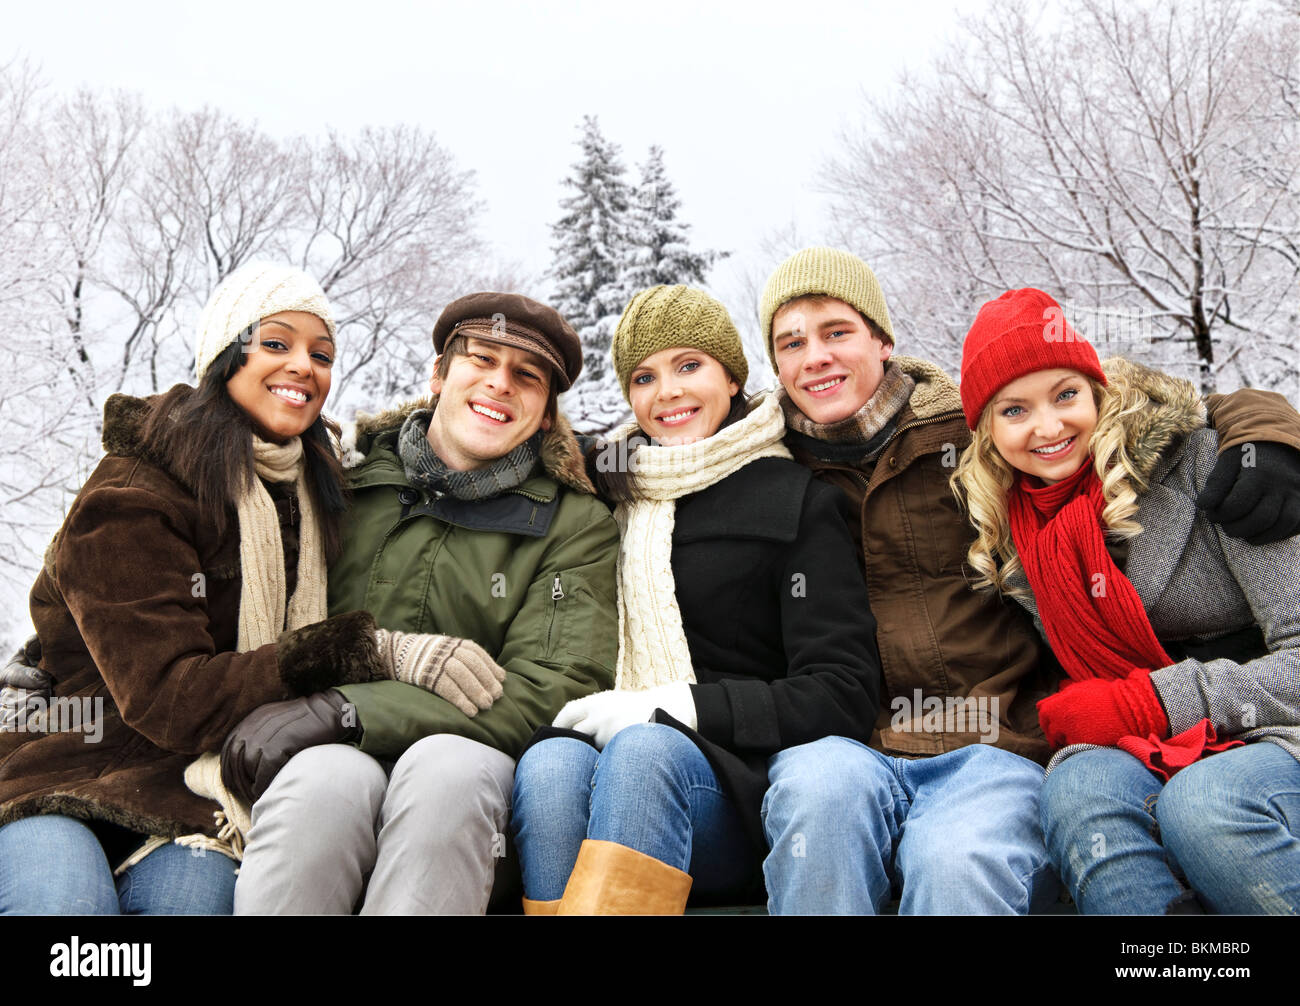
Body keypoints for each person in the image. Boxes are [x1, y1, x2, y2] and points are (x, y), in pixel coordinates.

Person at [754, 247, 1300, 914]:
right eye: (792, 342)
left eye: (838, 331)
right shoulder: (1002, 507)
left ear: (882, 339)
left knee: (1182, 810)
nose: (1045, 426)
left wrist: (1268, 428)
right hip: (878, 744)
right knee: (1077, 793)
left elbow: (1186, 412)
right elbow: (674, 446)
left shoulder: (973, 442)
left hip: (1075, 734)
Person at [0, 263, 395, 915]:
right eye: (276, 343)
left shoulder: (314, 485)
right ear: (223, 355)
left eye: (322, 354)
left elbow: (442, 446)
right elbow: (169, 697)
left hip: (191, 798)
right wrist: (351, 651)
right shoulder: (135, 489)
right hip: (62, 771)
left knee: (195, 905)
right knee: (69, 909)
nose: (304, 365)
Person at [224, 292, 620, 915]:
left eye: (527, 376)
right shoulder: (342, 481)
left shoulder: (575, 525)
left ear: (546, 414)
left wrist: (349, 709)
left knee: (445, 772)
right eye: (481, 359)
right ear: (438, 376)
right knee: (323, 781)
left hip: (472, 770)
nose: (500, 384)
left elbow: (552, 686)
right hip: (329, 752)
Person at [508, 285, 882, 914]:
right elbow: (494, 440)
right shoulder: (610, 492)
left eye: (690, 366)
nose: (668, 392)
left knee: (646, 748)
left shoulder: (796, 500)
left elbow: (843, 691)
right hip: (614, 760)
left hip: (740, 790)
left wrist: (678, 706)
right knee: (547, 769)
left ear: (732, 378)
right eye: (644, 377)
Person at [951, 287, 1300, 915]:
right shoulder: (1020, 536)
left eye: (1065, 394)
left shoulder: (1205, 460)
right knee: (1078, 793)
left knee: (1204, 804)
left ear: (1096, 392)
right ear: (987, 432)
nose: (1049, 426)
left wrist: (1147, 702)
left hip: (1275, 726)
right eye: (1015, 410)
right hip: (1150, 743)